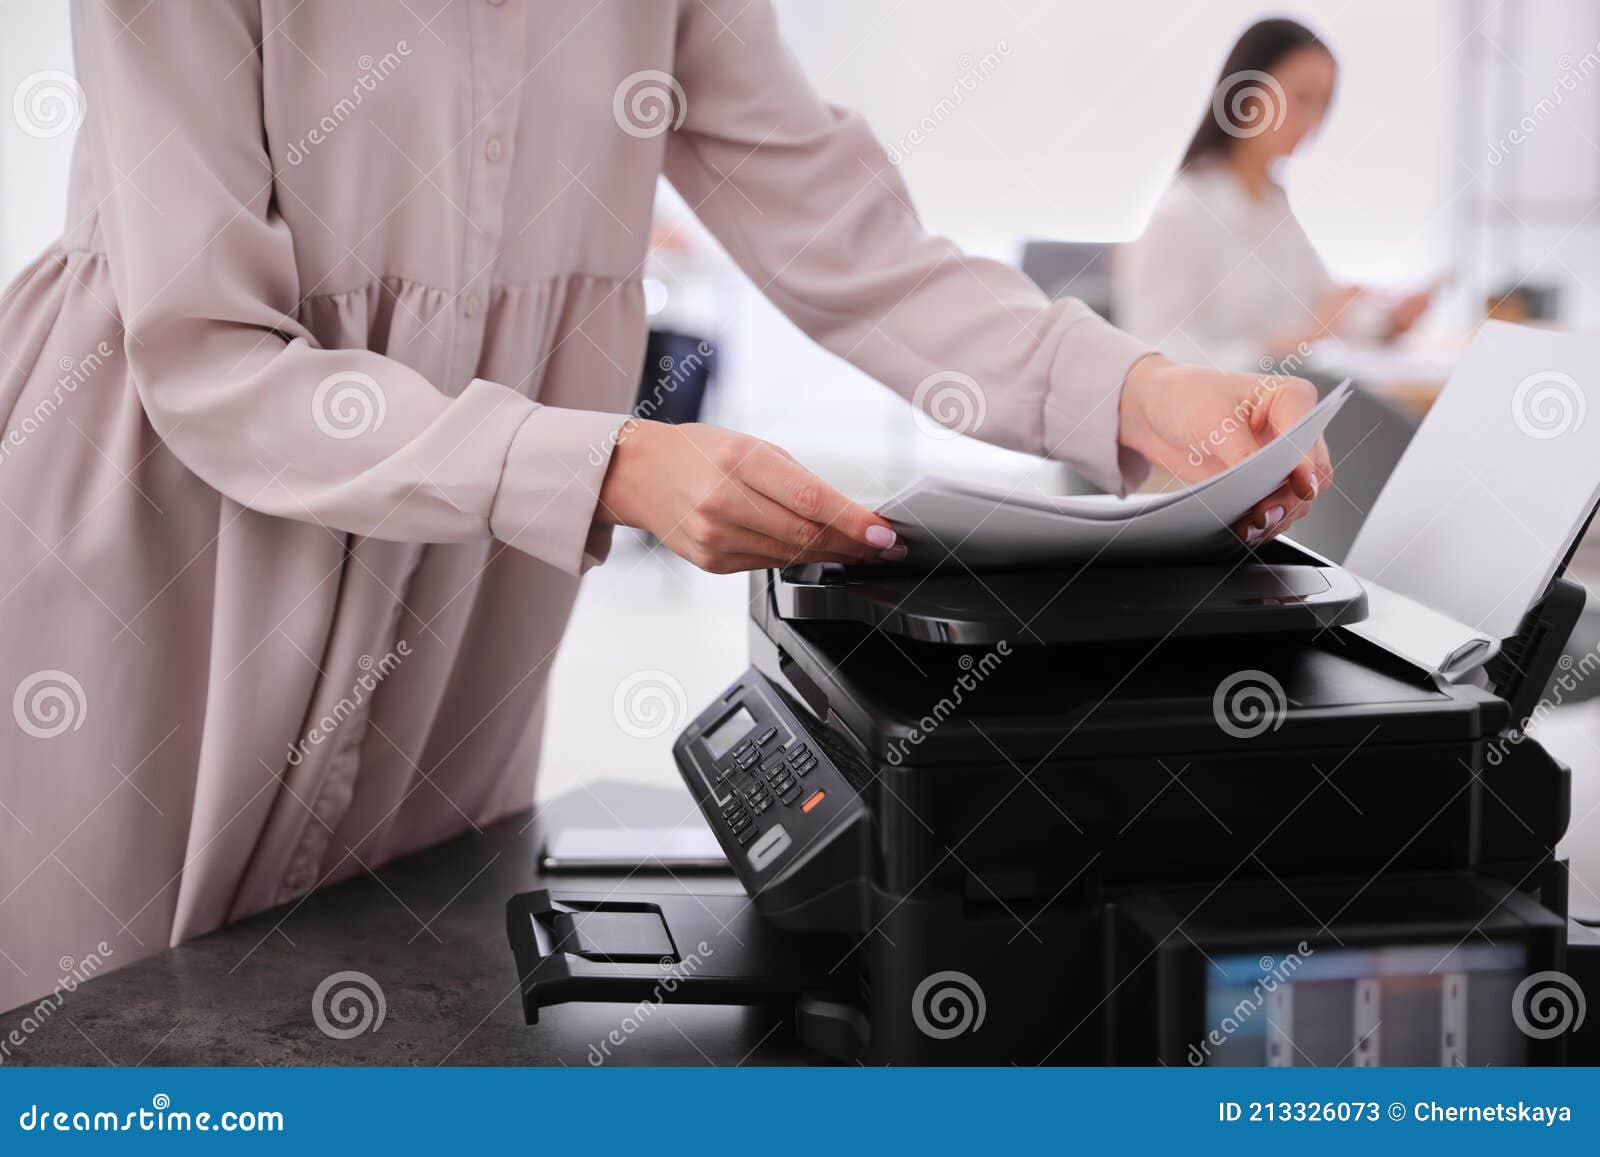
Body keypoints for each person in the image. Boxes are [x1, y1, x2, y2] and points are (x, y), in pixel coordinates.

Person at [0, 0, 1328, 1010]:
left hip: (464, 595)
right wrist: (612, 465)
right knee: (94, 1047)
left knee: (391, 1015)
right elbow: (208, 351)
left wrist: (1139, 389)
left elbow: (845, 242)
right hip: (152, 547)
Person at [1113, 17, 1433, 370]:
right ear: (1246, 95)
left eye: (1324, 103)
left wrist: (1387, 322)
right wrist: (1286, 345)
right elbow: (1156, 357)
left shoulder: (1273, 206)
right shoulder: (1180, 215)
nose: (1313, 121)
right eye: (1302, 98)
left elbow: (1321, 305)